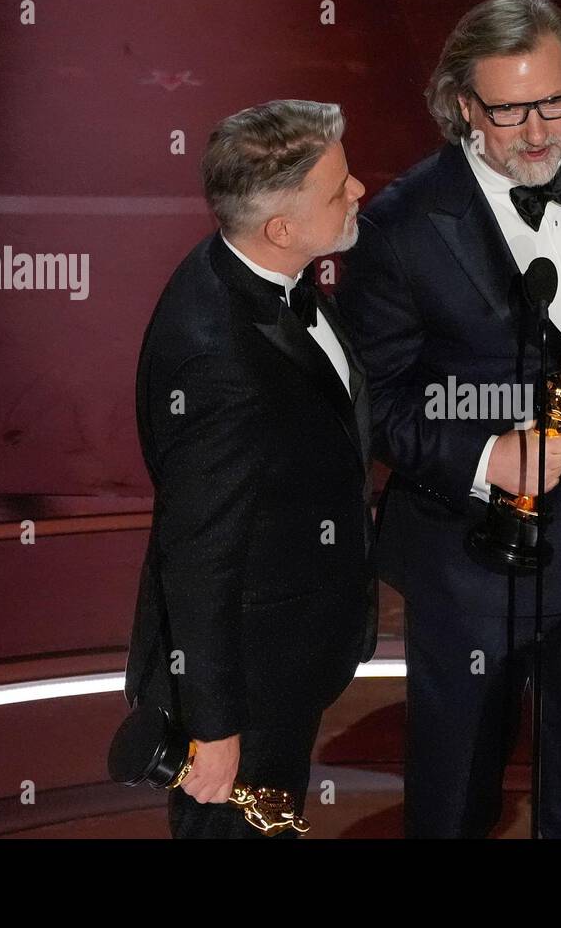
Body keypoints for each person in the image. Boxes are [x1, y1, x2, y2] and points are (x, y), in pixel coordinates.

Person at [340, 0, 561, 838]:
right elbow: (376, 399)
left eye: (557, 102)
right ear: (461, 106)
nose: (537, 132)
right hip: (474, 563)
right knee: (456, 797)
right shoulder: (400, 225)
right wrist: (488, 455)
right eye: (509, 109)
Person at [123, 100, 377, 838]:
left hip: (284, 651)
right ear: (280, 229)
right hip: (247, 680)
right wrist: (218, 728)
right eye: (338, 189)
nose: (359, 189)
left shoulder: (256, 268)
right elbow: (199, 557)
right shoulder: (219, 362)